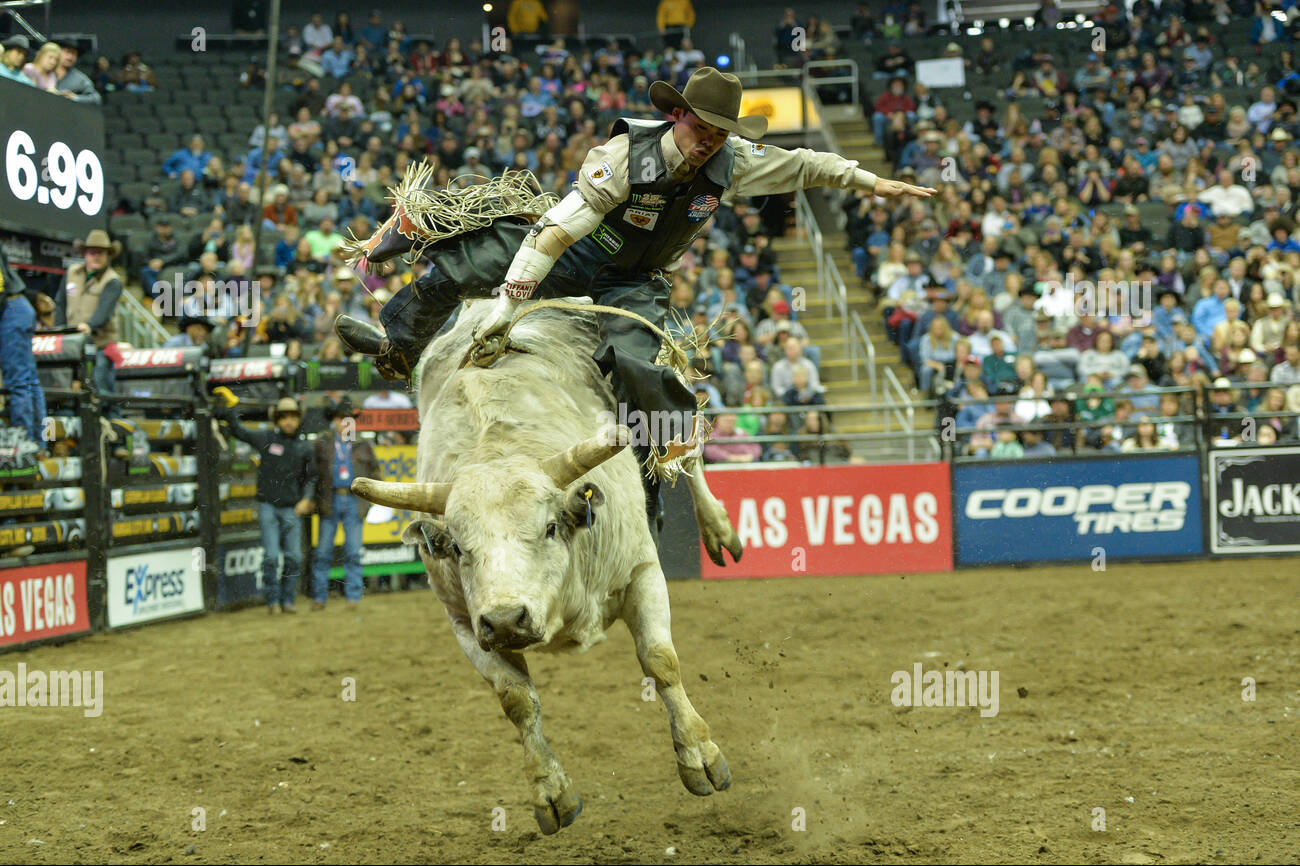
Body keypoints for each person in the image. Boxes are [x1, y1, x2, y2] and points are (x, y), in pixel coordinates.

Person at [336, 66, 934, 520]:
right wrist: (505, 310)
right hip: (576, 253)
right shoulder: (622, 157)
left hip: (635, 282)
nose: (707, 144)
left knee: (642, 367)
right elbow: (552, 233)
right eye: (701, 130)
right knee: (470, 257)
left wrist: (870, 181)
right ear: (678, 118)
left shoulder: (731, 162)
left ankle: (665, 494)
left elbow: (802, 163)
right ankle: (398, 344)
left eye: (719, 135)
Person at [216, 396, 316, 613]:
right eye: (284, 417)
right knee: (271, 556)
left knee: (294, 557)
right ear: (278, 419)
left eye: (292, 417)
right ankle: (273, 601)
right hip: (268, 505)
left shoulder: (305, 447)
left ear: (298, 419)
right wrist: (232, 409)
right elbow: (239, 431)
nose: (288, 421)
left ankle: (287, 599)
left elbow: (311, 477)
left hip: (291, 507)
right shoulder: (266, 438)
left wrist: (306, 498)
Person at [311, 398, 378, 609]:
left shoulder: (362, 445)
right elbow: (312, 473)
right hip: (330, 499)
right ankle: (319, 597)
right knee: (323, 552)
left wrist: (369, 501)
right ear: (334, 421)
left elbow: (376, 473)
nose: (344, 423)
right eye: (340, 419)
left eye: (347, 419)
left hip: (353, 500)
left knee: (353, 551)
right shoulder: (321, 443)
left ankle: (352, 597)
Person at [54, 230, 124, 402]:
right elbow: (61, 302)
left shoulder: (112, 280)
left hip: (100, 343)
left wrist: (90, 325)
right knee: (69, 384)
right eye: (92, 252)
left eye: (101, 253)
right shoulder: (72, 273)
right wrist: (59, 330)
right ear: (85, 253)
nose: (96, 256)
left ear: (108, 255)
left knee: (101, 384)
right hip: (72, 342)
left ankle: (111, 419)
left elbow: (105, 311)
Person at [0, 242, 45, 444]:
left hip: (10, 310)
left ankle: (23, 442)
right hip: (18, 307)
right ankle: (37, 443)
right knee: (28, 380)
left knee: (19, 381)